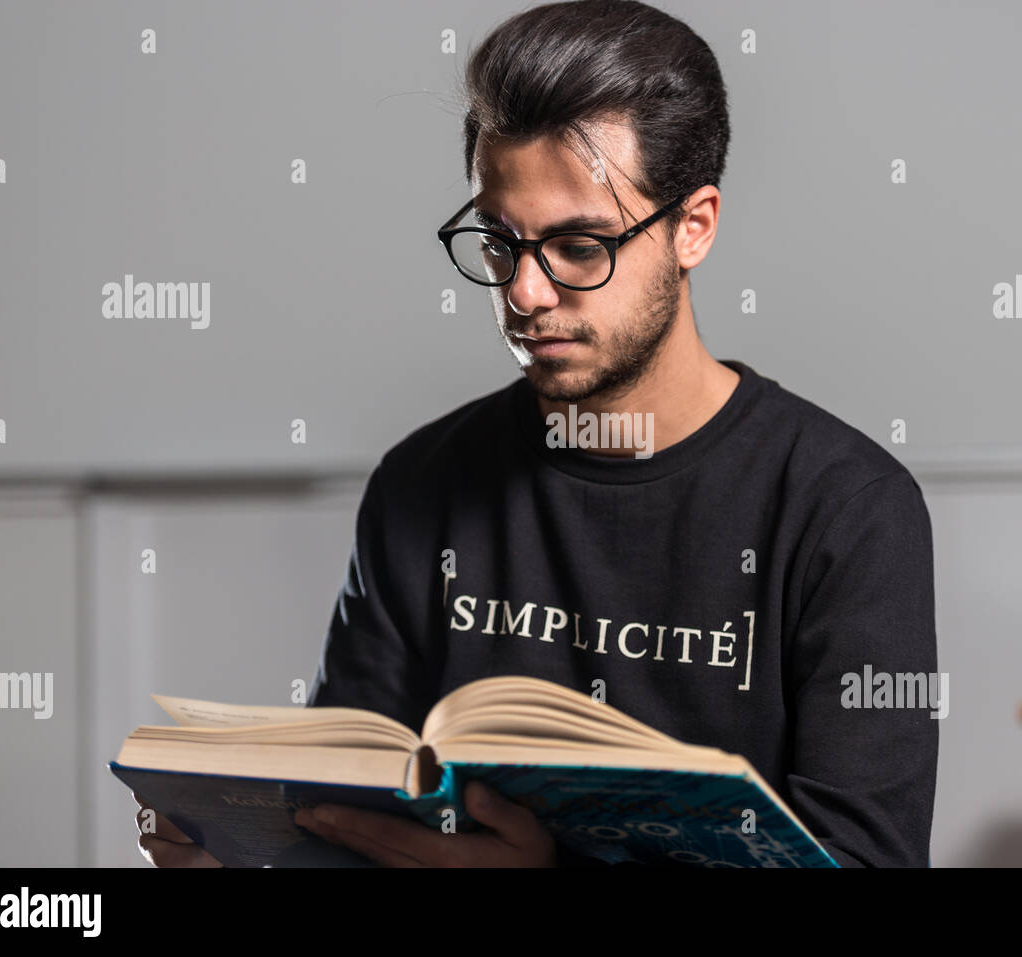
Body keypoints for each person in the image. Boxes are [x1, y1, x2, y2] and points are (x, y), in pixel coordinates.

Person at [137, 0, 937, 869]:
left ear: (693, 227)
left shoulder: (849, 511)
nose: (524, 293)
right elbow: (350, 819)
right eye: (499, 242)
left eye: (580, 246)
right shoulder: (421, 484)